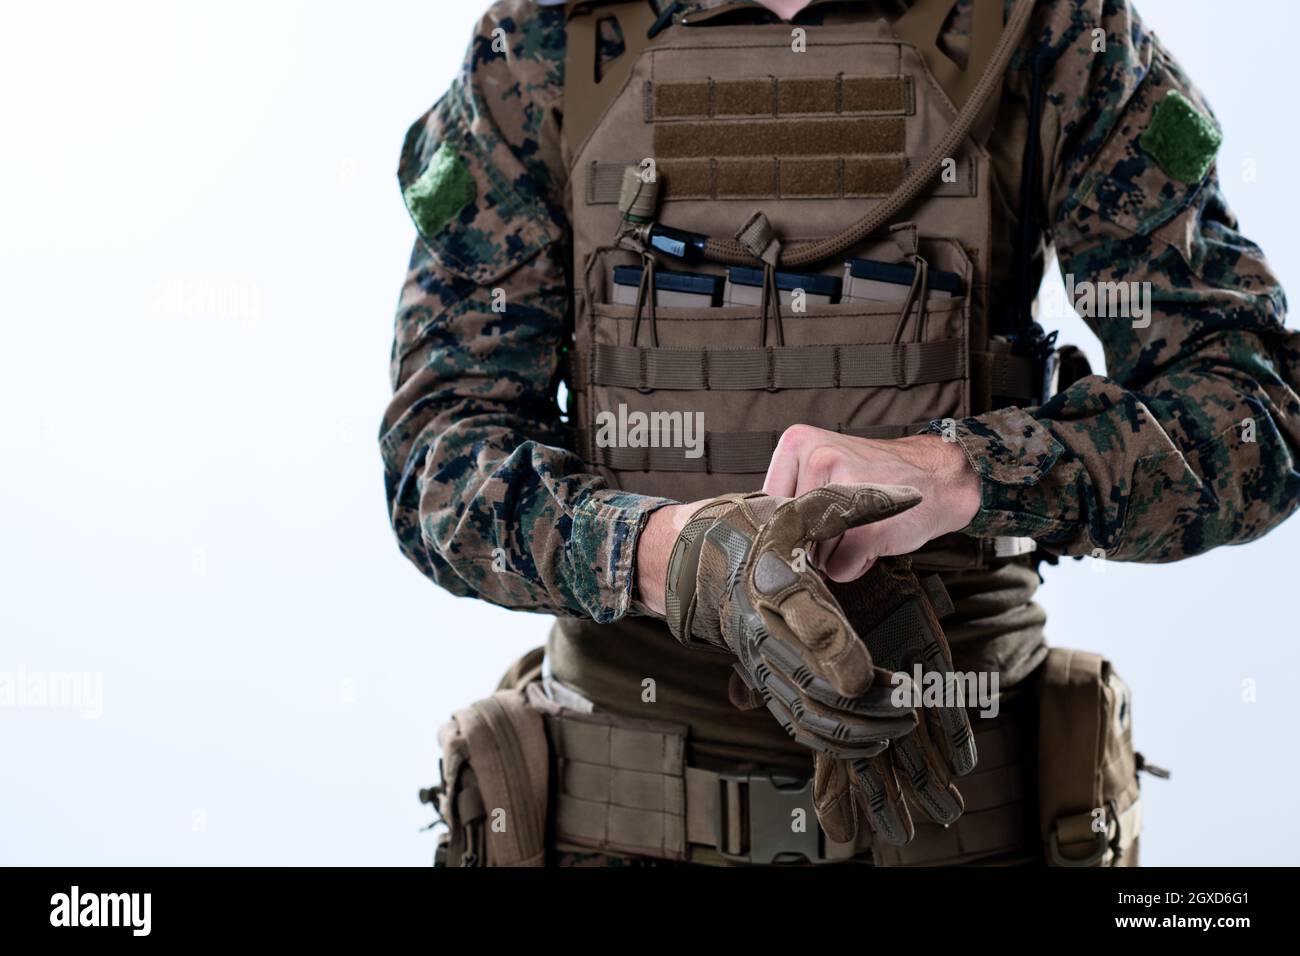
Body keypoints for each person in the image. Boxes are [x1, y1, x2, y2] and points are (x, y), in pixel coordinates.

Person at [382, 0, 1298, 866]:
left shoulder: (1051, 29)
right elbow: (440, 457)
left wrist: (959, 475)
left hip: (972, 812)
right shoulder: (545, 44)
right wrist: (671, 556)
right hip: (613, 823)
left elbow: (1255, 414)